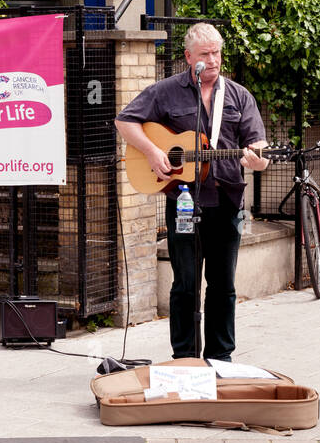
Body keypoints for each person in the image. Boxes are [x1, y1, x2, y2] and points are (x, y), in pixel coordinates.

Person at [115, 22, 269, 361]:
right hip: (183, 202)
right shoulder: (166, 91)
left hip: (228, 202)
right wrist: (154, 152)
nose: (213, 60)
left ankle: (220, 357)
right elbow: (124, 121)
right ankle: (184, 356)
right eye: (205, 54)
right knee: (184, 284)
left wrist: (257, 160)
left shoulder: (240, 96)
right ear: (189, 57)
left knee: (222, 284)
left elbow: (258, 148)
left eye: (217, 53)